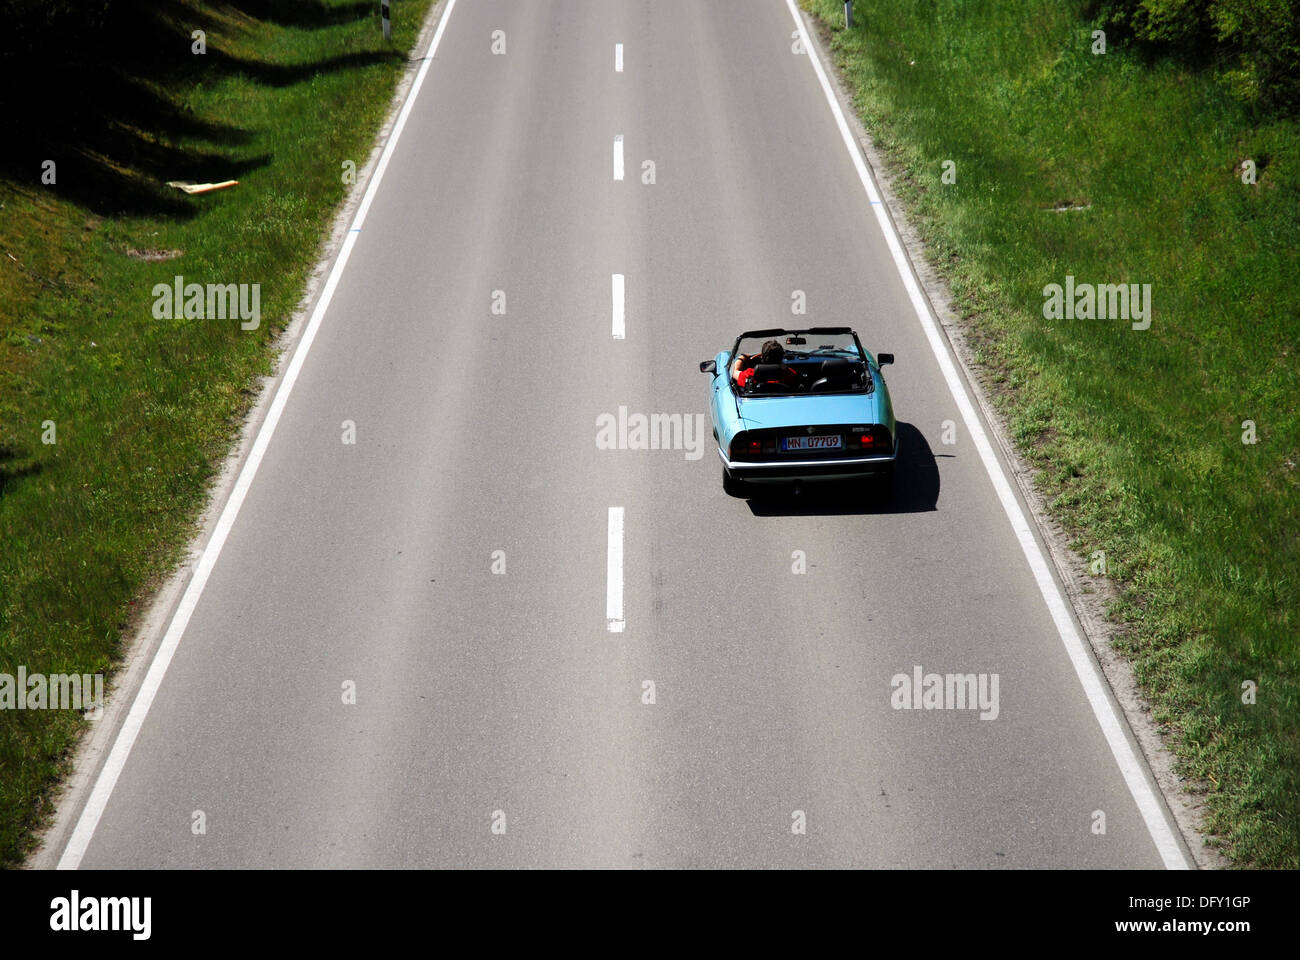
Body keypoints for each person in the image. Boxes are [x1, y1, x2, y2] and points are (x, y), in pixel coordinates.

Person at [732, 339, 801, 390]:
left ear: (762, 357)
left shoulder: (751, 374)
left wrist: (742, 357)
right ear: (781, 357)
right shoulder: (791, 374)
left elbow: (735, 372)